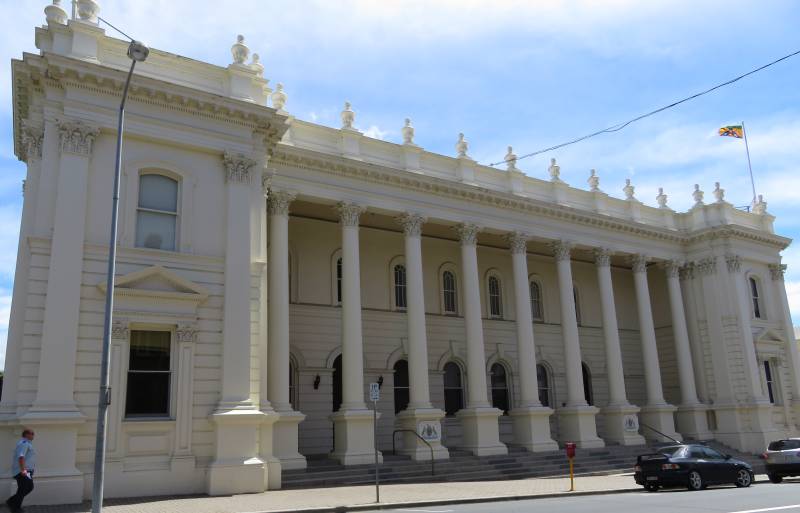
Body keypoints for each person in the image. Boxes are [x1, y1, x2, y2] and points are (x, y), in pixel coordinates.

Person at [6, 428, 35, 512]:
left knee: (29, 487)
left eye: (33, 434)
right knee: (24, 488)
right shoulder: (24, 443)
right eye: (31, 433)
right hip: (23, 471)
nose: (33, 435)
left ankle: (11, 501)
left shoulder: (27, 443)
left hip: (27, 470)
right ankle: (15, 508)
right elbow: (21, 457)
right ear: (26, 435)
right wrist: (23, 470)